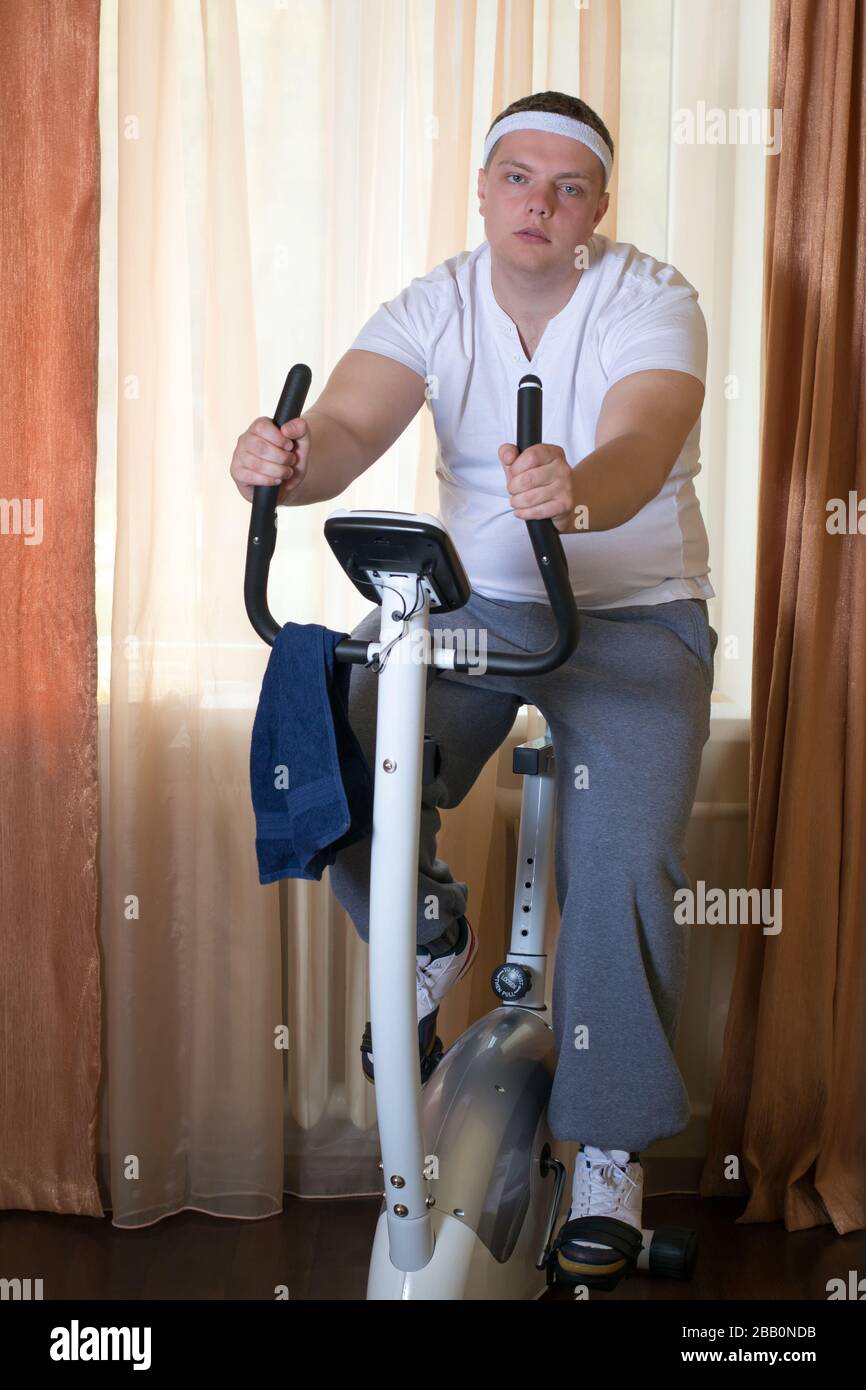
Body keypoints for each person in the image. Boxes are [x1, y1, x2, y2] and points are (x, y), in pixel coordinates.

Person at [231, 91, 719, 1282]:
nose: (537, 205)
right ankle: (428, 927)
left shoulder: (651, 298)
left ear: (597, 205)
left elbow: (645, 434)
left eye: (565, 187)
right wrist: (286, 468)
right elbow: (347, 421)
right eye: (516, 179)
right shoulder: (433, 302)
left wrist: (580, 489)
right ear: (484, 189)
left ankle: (606, 1150)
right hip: (475, 609)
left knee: (624, 866)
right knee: (329, 736)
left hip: (633, 617)